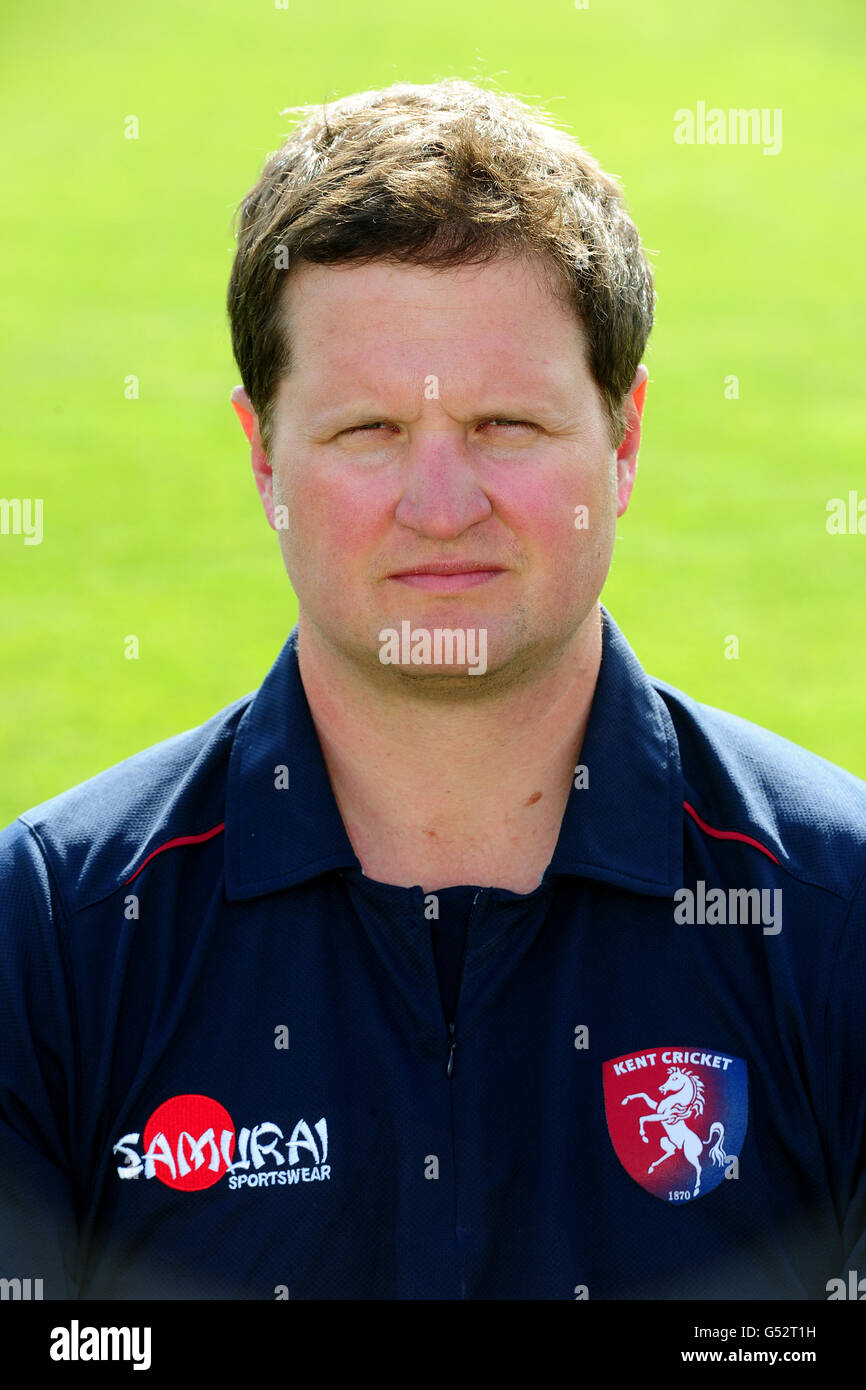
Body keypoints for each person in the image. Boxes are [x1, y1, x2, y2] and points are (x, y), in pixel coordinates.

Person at [1, 78, 864, 1302]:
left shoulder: (835, 913)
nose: (442, 506)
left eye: (505, 423)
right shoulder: (52, 934)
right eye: (367, 433)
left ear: (621, 443)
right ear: (262, 456)